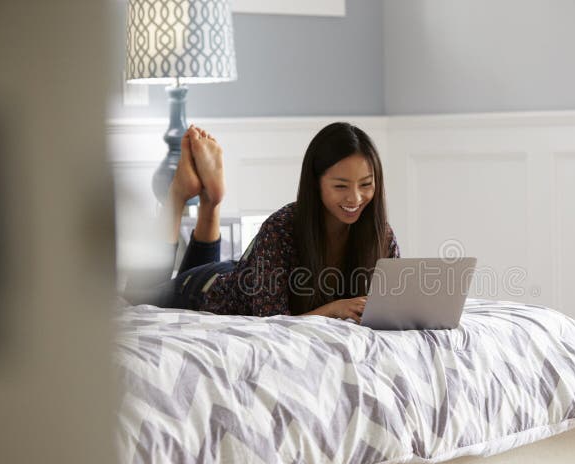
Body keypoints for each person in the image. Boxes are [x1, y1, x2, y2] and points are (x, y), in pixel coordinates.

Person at [123, 122, 400, 324]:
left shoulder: (381, 234)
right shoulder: (282, 227)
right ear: (315, 184)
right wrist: (333, 309)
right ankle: (177, 197)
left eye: (366, 184)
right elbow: (269, 322)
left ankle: (210, 201)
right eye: (341, 186)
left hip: (245, 274)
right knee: (133, 298)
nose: (355, 198)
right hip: (207, 290)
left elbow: (396, 308)